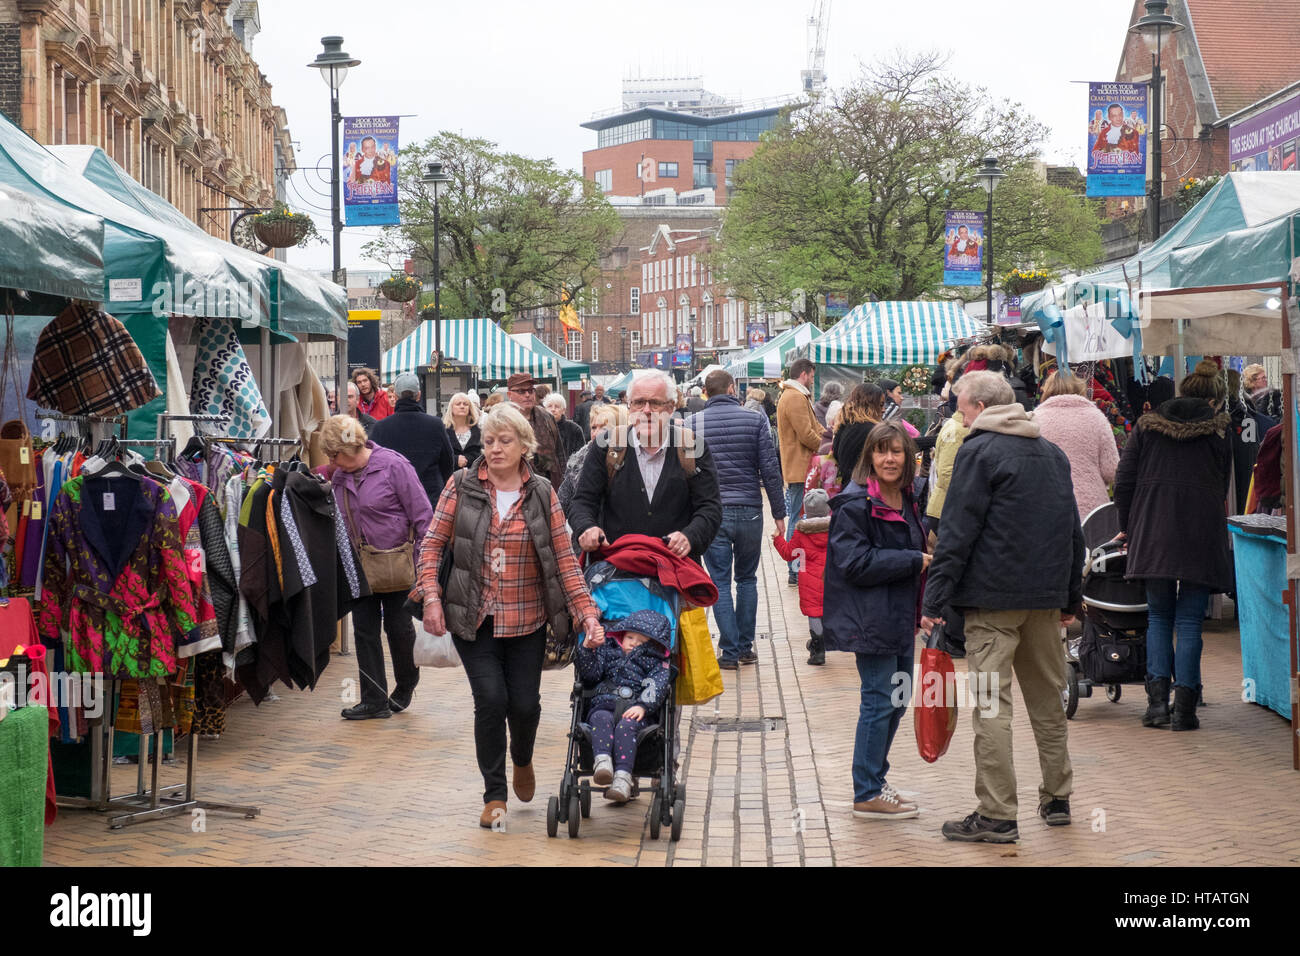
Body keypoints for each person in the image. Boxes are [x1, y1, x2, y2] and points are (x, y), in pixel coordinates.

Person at [416, 404, 604, 829]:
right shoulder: (461, 485)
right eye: (488, 440)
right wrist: (430, 596)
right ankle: (494, 794)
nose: (495, 449)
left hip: (527, 619)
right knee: (490, 700)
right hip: (472, 617)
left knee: (524, 704)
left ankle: (523, 758)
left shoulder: (541, 492)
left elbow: (565, 560)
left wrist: (587, 616)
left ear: (525, 446)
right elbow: (431, 545)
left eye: (505, 441)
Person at [920, 371, 1084, 843]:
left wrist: (935, 598)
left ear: (976, 406)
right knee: (1047, 702)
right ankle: (1057, 798)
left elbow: (958, 530)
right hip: (1044, 600)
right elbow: (1072, 531)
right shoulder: (1050, 453)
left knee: (992, 706)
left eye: (960, 406)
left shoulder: (979, 450)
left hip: (992, 601)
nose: (959, 414)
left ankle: (997, 813)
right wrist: (1069, 597)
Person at [1113, 360, 1232, 733]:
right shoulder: (1219, 433)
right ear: (1214, 400)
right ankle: (1185, 709)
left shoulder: (1147, 428)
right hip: (1201, 530)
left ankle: (1157, 706)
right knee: (1190, 619)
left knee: (1159, 617)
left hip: (1152, 527)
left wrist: (1126, 527)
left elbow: (1124, 480)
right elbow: (1223, 481)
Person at [824, 421, 929, 819]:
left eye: (897, 451)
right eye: (881, 451)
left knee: (896, 701)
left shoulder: (909, 497)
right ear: (869, 457)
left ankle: (876, 781)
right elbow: (853, 562)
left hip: (900, 616)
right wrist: (913, 561)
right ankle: (866, 790)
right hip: (870, 618)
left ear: (908, 458)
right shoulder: (855, 503)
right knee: (878, 700)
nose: (889, 458)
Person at [324, 415, 433, 720]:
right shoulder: (340, 477)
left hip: (397, 563)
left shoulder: (393, 466)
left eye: (333, 455)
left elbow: (424, 516)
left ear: (344, 449)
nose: (331, 462)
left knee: (398, 628)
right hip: (360, 565)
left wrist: (425, 564)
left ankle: (407, 682)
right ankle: (374, 700)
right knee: (365, 631)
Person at [688, 369, 786, 669]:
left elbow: (688, 474)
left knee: (719, 580)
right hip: (750, 509)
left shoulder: (693, 423)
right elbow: (770, 469)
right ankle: (745, 647)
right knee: (746, 578)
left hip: (711, 512)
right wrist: (779, 513)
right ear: (732, 388)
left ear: (706, 392)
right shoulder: (755, 419)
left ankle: (728, 651)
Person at [569, 369, 722, 561]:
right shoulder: (606, 446)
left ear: (671, 407)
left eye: (656, 403)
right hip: (619, 572)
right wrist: (587, 527)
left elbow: (710, 506)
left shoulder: (692, 446)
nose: (647, 411)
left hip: (676, 570)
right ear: (630, 406)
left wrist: (689, 537)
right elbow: (583, 501)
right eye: (639, 402)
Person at [575, 609, 673, 802]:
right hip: (604, 703)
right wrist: (586, 648)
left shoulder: (655, 663)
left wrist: (643, 706)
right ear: (621, 635)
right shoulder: (608, 650)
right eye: (630, 637)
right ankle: (602, 762)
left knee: (626, 727)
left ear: (652, 645)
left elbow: (657, 685)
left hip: (635, 710)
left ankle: (623, 778)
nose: (634, 643)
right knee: (599, 718)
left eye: (642, 642)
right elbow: (591, 674)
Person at [1034, 371, 1120, 522]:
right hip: (1092, 508)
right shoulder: (1096, 418)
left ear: (1046, 389)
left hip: (1046, 505)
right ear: (1080, 387)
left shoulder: (1035, 419)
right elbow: (1111, 470)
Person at [368, 372, 456, 513]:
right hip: (430, 498)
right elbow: (447, 462)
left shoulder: (381, 428)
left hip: (393, 501)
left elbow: (372, 465)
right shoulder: (435, 425)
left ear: (395, 397)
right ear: (418, 395)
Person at [776, 358, 824, 585]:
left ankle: (797, 569)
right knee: (797, 519)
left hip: (799, 466)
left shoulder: (795, 395)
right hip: (800, 467)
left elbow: (814, 428)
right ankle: (795, 570)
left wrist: (828, 435)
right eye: (812, 376)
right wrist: (826, 448)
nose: (813, 380)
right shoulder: (795, 397)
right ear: (804, 374)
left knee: (798, 517)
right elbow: (806, 433)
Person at [770, 488, 830, 665]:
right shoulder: (836, 529)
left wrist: (777, 539)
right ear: (828, 509)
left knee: (814, 614)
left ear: (806, 510)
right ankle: (824, 641)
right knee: (828, 611)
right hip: (831, 580)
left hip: (809, 582)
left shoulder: (802, 532)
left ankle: (818, 650)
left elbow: (789, 554)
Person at [558, 403, 628, 514]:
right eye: (594, 427)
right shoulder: (577, 461)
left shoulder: (632, 459)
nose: (596, 433)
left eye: (604, 428)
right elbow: (562, 502)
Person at [506, 373, 567, 488]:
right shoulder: (503, 420)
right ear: (510, 394)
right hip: (516, 485)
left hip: (550, 484)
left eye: (530, 390)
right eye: (521, 391)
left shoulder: (546, 417)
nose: (527, 395)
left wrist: (564, 482)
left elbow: (559, 453)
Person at [445, 391, 483, 470]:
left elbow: (483, 454)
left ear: (469, 408)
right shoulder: (443, 431)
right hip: (450, 477)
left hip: (475, 477)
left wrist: (466, 460)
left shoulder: (479, 431)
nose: (462, 406)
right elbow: (439, 455)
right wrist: (455, 460)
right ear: (451, 408)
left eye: (465, 404)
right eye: (458, 404)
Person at [543, 393, 586, 460]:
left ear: (563, 410)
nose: (553, 409)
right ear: (545, 409)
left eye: (557, 406)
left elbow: (581, 456)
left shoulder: (574, 429)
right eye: (549, 406)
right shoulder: (540, 429)